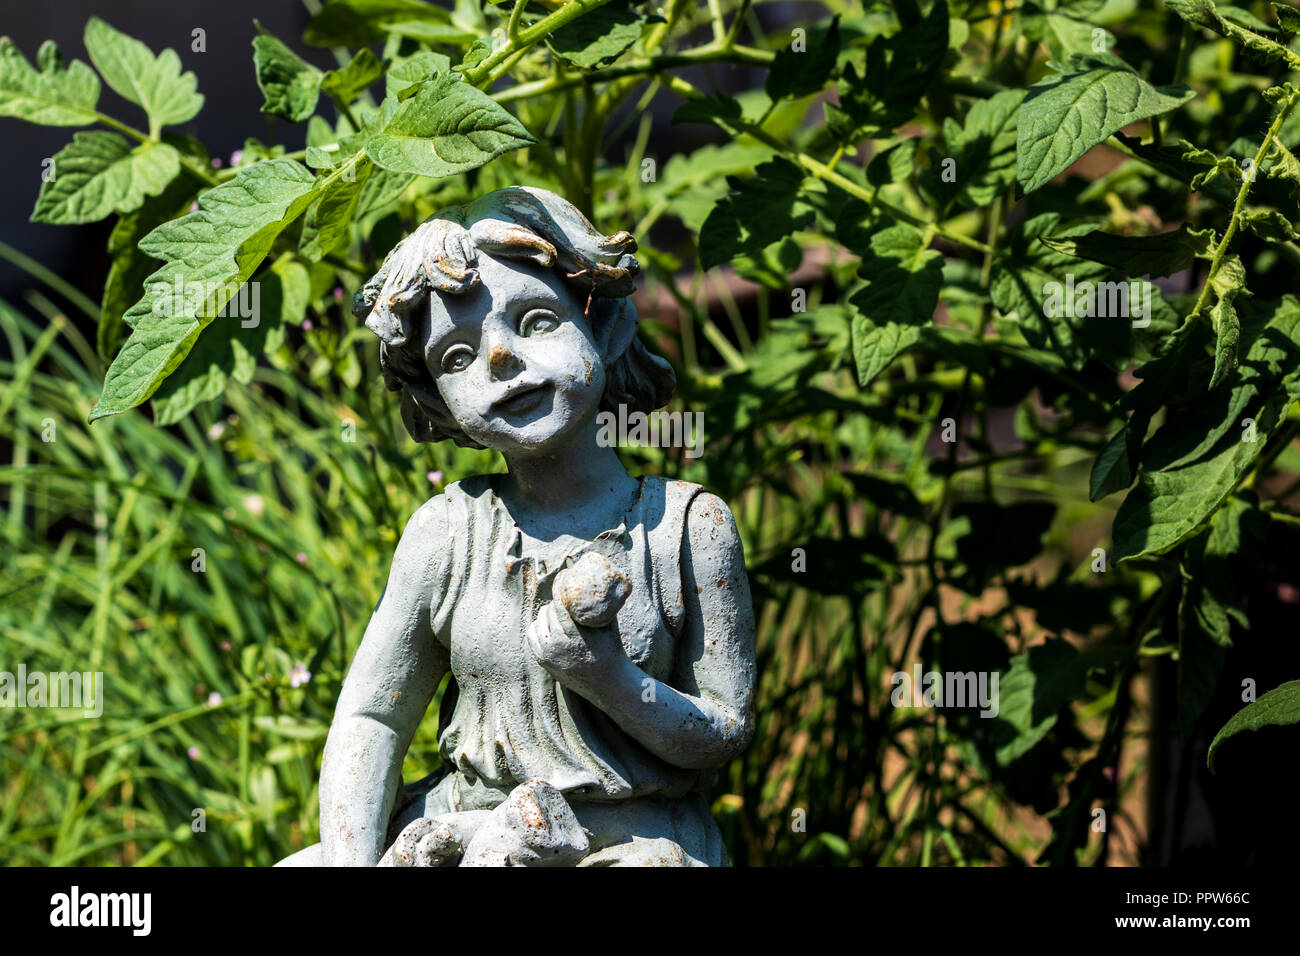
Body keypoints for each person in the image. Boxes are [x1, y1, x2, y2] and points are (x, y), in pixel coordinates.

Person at [278, 186, 755, 866]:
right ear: (435, 403)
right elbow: (373, 717)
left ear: (606, 324)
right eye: (458, 358)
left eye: (534, 321)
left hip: (629, 842)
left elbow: (723, 730)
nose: (499, 360)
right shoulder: (446, 534)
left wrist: (608, 677)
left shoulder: (685, 526)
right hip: (462, 827)